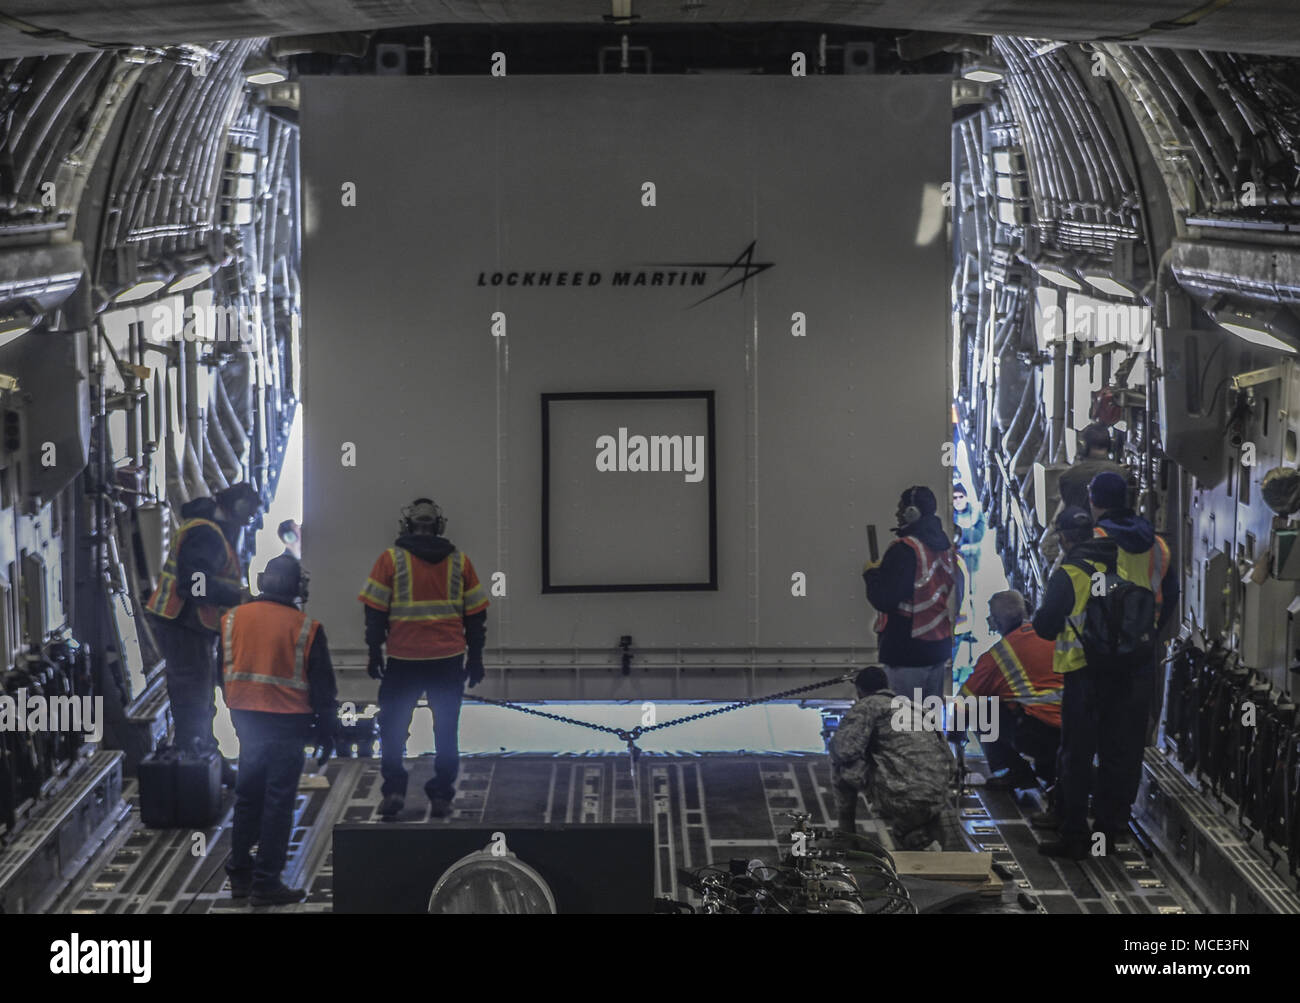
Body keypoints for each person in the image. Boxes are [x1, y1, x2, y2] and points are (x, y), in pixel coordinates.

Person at [1031, 504, 1161, 858]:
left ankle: (1074, 835)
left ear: (1064, 538)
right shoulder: (1124, 562)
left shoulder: (1069, 573)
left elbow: (1044, 626)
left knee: (1076, 755)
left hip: (1083, 675)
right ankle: (1106, 835)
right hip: (1125, 675)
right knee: (1113, 755)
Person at [360, 498, 490, 819]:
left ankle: (393, 792)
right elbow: (476, 615)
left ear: (408, 525)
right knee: (446, 731)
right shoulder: (460, 563)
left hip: (403, 660)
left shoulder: (390, 561)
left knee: (393, 729)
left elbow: (374, 610)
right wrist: (476, 658)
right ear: (438, 526)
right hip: (447, 660)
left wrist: (374, 650)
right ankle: (442, 797)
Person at [220, 555, 338, 906]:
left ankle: (240, 874)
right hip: (287, 723)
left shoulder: (231, 619)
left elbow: (221, 669)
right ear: (295, 587)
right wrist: (327, 732)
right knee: (277, 802)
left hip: (245, 718)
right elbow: (323, 689)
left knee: (248, 797)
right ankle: (267, 882)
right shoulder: (305, 627)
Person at [145, 482, 261, 782]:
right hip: (182, 622)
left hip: (191, 624)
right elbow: (193, 584)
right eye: (246, 514)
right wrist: (238, 596)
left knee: (198, 693)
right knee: (194, 696)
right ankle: (195, 763)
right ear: (235, 507)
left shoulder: (213, 529)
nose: (247, 521)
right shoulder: (206, 533)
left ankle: (204, 760)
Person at [830, 666, 966, 851]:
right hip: (938, 795)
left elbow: (843, 751)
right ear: (887, 686)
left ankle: (845, 837)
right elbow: (949, 760)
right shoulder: (916, 708)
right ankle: (917, 828)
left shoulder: (868, 705)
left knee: (840, 766)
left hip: (900, 798)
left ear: (860, 691)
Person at [959, 590, 1061, 791]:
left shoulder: (999, 655)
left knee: (982, 712)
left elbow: (963, 702)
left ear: (996, 621)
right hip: (1075, 727)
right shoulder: (1051, 635)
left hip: (1041, 734)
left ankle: (1014, 772)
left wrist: (953, 742)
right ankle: (1048, 770)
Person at [864, 485, 957, 702]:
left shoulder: (904, 549)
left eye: (901, 508)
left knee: (905, 724)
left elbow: (885, 599)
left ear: (912, 512)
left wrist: (871, 574)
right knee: (928, 722)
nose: (897, 514)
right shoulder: (943, 546)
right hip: (937, 648)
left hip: (906, 650)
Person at [1039, 424, 1130, 567]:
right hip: (1116, 548)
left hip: (1080, 551)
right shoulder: (1123, 475)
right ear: (1111, 445)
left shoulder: (1068, 478)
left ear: (1084, 446)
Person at [952, 483, 986, 575]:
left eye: (961, 497)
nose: (958, 500)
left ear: (966, 497)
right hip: (955, 563)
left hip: (973, 563)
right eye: (954, 498)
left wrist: (959, 533)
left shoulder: (975, 513)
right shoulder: (949, 516)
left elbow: (978, 535)